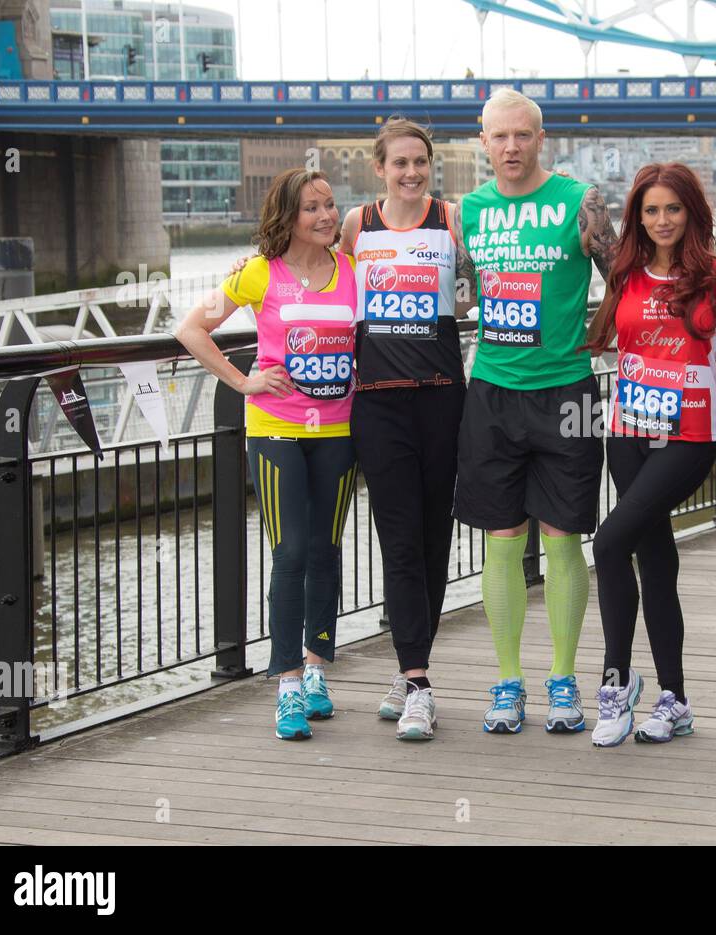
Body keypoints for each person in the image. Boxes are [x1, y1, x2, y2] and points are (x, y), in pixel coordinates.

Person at [453, 89, 619, 734]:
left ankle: (562, 680)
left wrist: (601, 330)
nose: (512, 148)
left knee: (564, 537)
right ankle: (506, 683)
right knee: (501, 539)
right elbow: (453, 289)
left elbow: (625, 276)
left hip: (569, 390)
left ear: (539, 138)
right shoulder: (466, 211)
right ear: (483, 141)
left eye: (523, 135)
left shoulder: (581, 202)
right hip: (492, 391)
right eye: (500, 137)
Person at [177, 170, 357, 741]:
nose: (326, 216)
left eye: (330, 205)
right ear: (288, 217)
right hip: (277, 430)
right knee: (293, 552)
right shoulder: (258, 273)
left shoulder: (353, 270)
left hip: (339, 432)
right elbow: (192, 329)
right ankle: (285, 685)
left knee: (327, 550)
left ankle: (316, 671)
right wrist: (243, 382)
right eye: (312, 209)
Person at [583, 163, 716, 747]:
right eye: (651, 210)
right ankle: (675, 700)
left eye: (673, 209)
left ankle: (615, 682)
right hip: (628, 430)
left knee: (609, 543)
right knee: (654, 559)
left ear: (692, 212)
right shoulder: (625, 272)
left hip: (687, 437)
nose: (662, 221)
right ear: (639, 216)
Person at [338, 117, 470, 741]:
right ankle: (417, 679)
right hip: (377, 404)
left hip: (442, 398)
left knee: (432, 537)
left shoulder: (452, 219)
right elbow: (321, 281)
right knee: (397, 539)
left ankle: (412, 667)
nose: (412, 173)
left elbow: (483, 286)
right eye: (400, 164)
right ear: (380, 168)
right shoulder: (356, 226)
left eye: (421, 162)